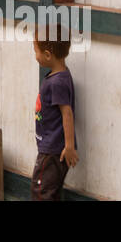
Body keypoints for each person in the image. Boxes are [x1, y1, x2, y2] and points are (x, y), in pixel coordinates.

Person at [32, 34, 78, 200]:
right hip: (54, 147)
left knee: (41, 192)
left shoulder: (57, 82)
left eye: (36, 51)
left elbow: (67, 113)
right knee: (52, 192)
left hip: (52, 151)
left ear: (48, 54)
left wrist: (70, 146)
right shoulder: (61, 75)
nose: (35, 56)